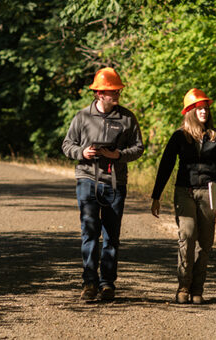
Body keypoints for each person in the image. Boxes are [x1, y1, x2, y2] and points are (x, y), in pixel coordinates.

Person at [62, 67, 145, 301]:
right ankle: (89, 283)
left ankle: (107, 284)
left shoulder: (127, 118)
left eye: (118, 89)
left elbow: (138, 148)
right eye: (112, 90)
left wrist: (116, 155)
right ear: (99, 93)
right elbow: (67, 145)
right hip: (87, 179)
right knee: (89, 231)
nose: (117, 93)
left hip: (116, 181)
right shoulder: (82, 117)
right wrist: (83, 152)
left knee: (111, 234)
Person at [150, 88, 216, 304]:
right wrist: (156, 196)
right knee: (187, 235)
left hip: (209, 193)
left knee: (205, 242)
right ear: (190, 111)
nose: (204, 111)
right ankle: (183, 286)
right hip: (184, 192)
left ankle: (197, 289)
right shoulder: (179, 136)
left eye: (206, 108)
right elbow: (166, 165)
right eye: (199, 108)